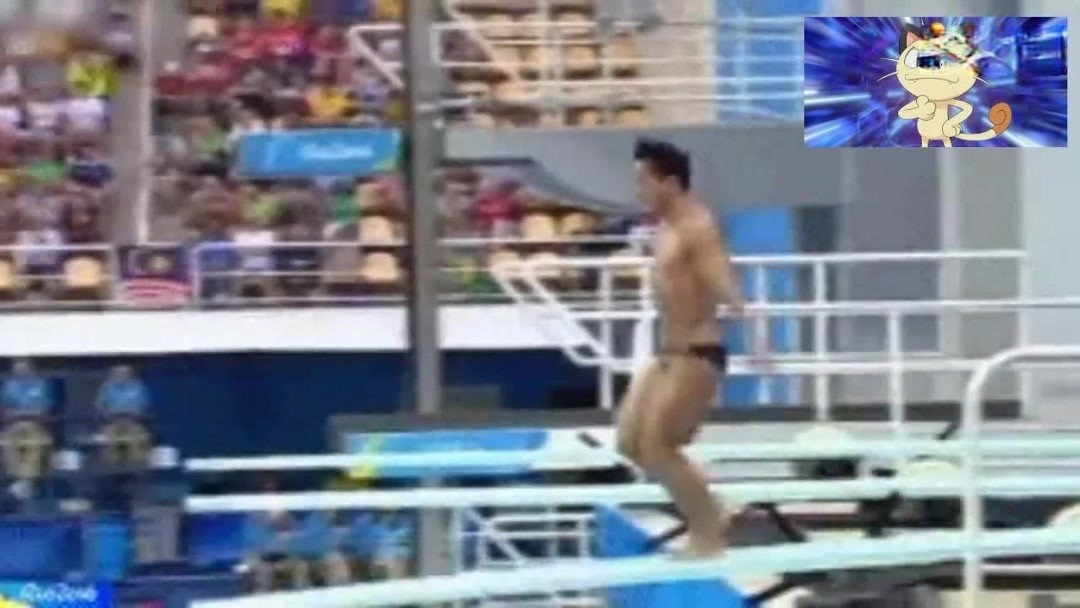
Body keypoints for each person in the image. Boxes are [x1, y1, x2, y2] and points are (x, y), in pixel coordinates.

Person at [615, 138, 746, 557]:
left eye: (644, 182)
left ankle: (708, 536)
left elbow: (723, 281)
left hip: (697, 353)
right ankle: (710, 502)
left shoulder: (696, 227)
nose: (639, 191)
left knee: (659, 447)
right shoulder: (666, 228)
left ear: (670, 183)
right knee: (629, 442)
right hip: (668, 353)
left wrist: (740, 308)